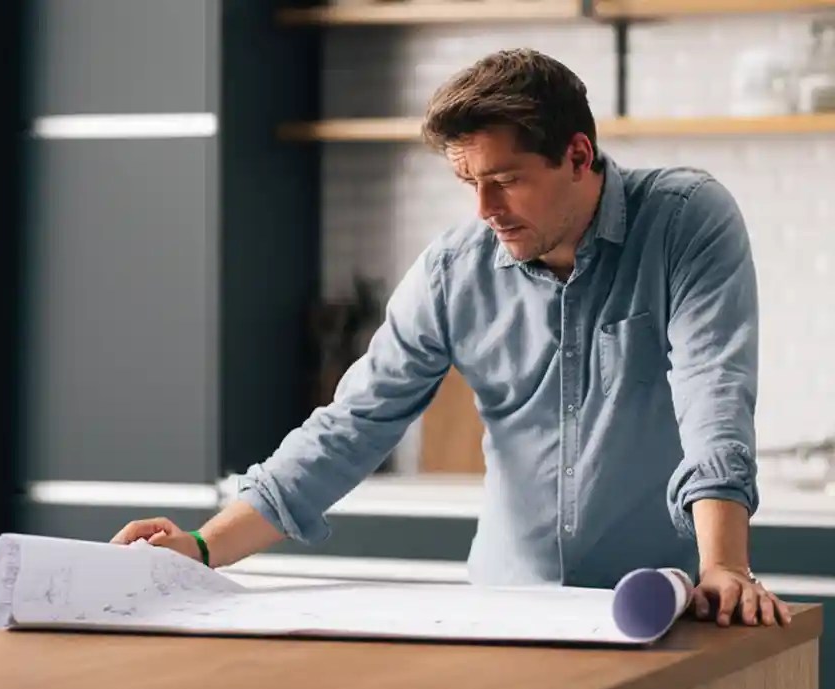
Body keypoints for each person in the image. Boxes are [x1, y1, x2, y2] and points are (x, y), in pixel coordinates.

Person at [111, 48, 790, 628]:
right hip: (506, 611)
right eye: (469, 183)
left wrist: (724, 565)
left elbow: (713, 390)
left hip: (658, 609)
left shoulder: (683, 221)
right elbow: (351, 426)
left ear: (578, 155)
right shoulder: (454, 271)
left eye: (505, 182)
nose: (485, 211)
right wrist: (201, 546)